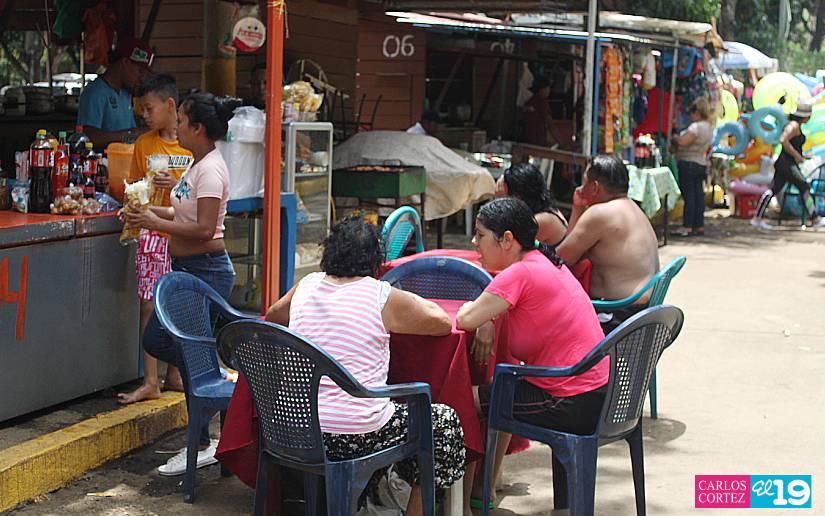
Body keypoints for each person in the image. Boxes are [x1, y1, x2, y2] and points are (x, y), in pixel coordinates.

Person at [265, 217, 465, 516]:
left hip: (293, 429)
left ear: (329, 252)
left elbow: (272, 316)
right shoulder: (380, 295)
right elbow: (441, 322)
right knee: (441, 422)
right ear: (375, 259)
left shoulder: (305, 286)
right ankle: (415, 511)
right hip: (354, 437)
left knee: (400, 416)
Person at [455, 197, 608, 509]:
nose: (474, 243)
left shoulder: (521, 273)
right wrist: (490, 317)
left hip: (566, 398)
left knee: (463, 399)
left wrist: (479, 313)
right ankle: (480, 490)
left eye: (481, 235)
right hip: (595, 392)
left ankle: (464, 498)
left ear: (507, 240)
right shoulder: (548, 262)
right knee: (494, 390)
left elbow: (465, 319)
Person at [124, 92, 240, 476]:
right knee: (181, 350)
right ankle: (208, 436)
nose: (177, 127)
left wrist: (156, 224)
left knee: (164, 342)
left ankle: (208, 436)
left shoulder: (210, 170)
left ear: (197, 128)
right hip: (189, 269)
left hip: (205, 270)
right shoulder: (196, 165)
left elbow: (205, 229)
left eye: (183, 120)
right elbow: (180, 211)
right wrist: (147, 211)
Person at [117, 74, 194, 405]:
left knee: (179, 306)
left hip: (182, 235)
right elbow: (133, 187)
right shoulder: (144, 144)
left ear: (170, 105)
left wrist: (175, 182)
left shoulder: (192, 145)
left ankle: (174, 373)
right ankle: (151, 380)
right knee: (149, 305)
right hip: (151, 234)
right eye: (142, 110)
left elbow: (198, 196)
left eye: (149, 108)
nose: (145, 116)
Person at [556, 155, 659, 331]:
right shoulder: (634, 209)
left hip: (616, 313)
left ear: (595, 187)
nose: (580, 189)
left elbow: (559, 259)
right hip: (643, 312)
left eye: (584, 182)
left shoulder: (600, 214)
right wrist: (577, 208)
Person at [752, 101, 824, 229]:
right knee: (804, 186)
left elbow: (792, 143)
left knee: (773, 189)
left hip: (784, 163)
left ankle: (757, 217)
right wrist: (796, 156)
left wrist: (803, 156)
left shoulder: (796, 125)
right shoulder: (793, 126)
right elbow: (783, 139)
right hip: (787, 163)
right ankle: (814, 218)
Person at [78, 36, 153, 147]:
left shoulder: (126, 93)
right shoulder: (95, 92)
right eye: (139, 71)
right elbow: (89, 136)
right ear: (125, 62)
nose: (141, 77)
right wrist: (133, 133)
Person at [495, 162, 567, 248]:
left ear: (517, 195)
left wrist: (499, 202)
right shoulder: (542, 206)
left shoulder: (540, 220)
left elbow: (505, 248)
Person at [671, 97, 714, 236]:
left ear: (697, 112)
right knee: (698, 196)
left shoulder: (696, 127)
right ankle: (698, 224)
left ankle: (687, 225)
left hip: (688, 162)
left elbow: (684, 142)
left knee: (689, 196)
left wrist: (675, 138)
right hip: (700, 163)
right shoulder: (709, 127)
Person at [520, 76, 557, 147]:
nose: (549, 91)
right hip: (537, 142)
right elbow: (550, 124)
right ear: (541, 89)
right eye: (547, 88)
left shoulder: (529, 101)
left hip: (526, 141)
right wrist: (561, 143)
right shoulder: (541, 102)